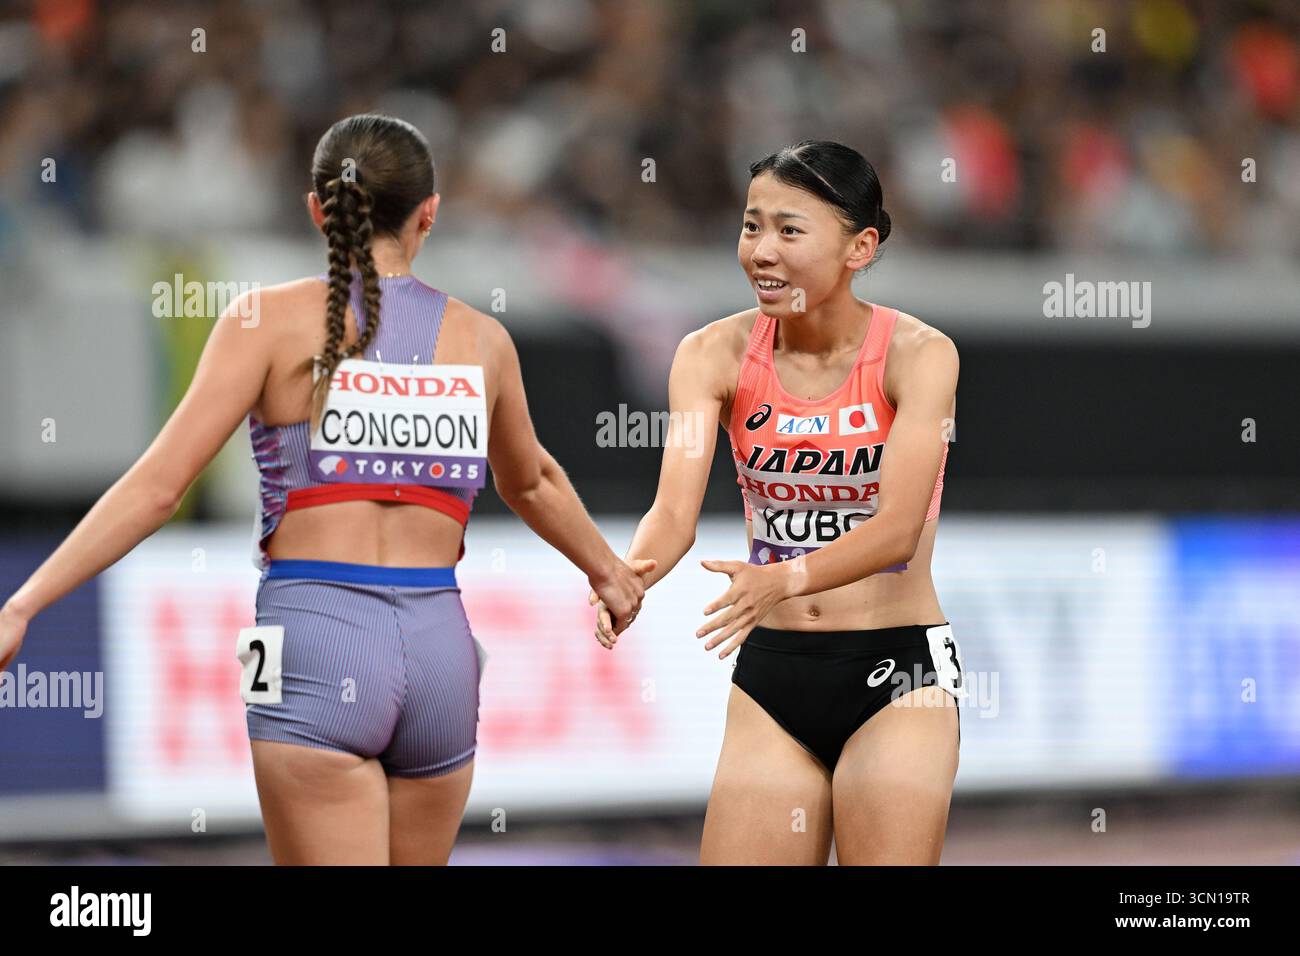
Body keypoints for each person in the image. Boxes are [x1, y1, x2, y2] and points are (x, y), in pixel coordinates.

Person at [0, 113, 653, 865]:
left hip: (315, 638)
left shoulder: (264, 321)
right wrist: (608, 572)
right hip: (442, 653)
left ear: (318, 210)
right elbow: (533, 480)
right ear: (429, 214)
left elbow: (157, 489)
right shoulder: (482, 340)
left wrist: (25, 602)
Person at [592, 140, 964, 865]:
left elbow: (896, 533)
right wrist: (629, 574)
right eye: (750, 225)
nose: (761, 250)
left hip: (899, 676)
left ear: (859, 247)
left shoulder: (919, 355)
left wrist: (783, 577)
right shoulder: (712, 355)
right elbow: (673, 515)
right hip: (774, 676)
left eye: (789, 230)